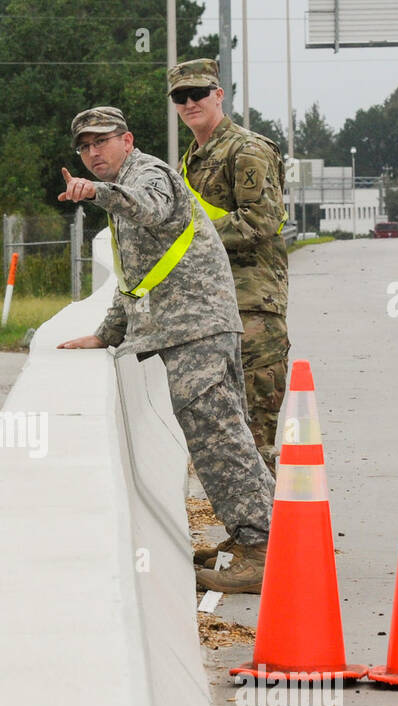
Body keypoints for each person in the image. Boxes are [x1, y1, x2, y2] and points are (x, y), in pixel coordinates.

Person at [56, 106, 274, 593]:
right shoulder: (127, 187)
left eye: (102, 142)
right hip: (192, 328)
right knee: (227, 436)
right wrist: (108, 332)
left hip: (195, 329)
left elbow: (149, 206)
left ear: (127, 140)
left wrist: (98, 193)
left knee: (219, 441)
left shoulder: (148, 174)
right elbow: (137, 279)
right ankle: (258, 537)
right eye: (85, 147)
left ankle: (261, 552)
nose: (93, 153)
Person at [169, 58, 290, 484]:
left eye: (198, 94)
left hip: (254, 309)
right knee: (230, 435)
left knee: (255, 433)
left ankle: (268, 545)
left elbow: (262, 221)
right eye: (180, 97)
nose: (189, 103)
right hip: (217, 310)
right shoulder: (194, 158)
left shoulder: (246, 149)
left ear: (219, 95)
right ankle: (248, 536)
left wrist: (192, 237)